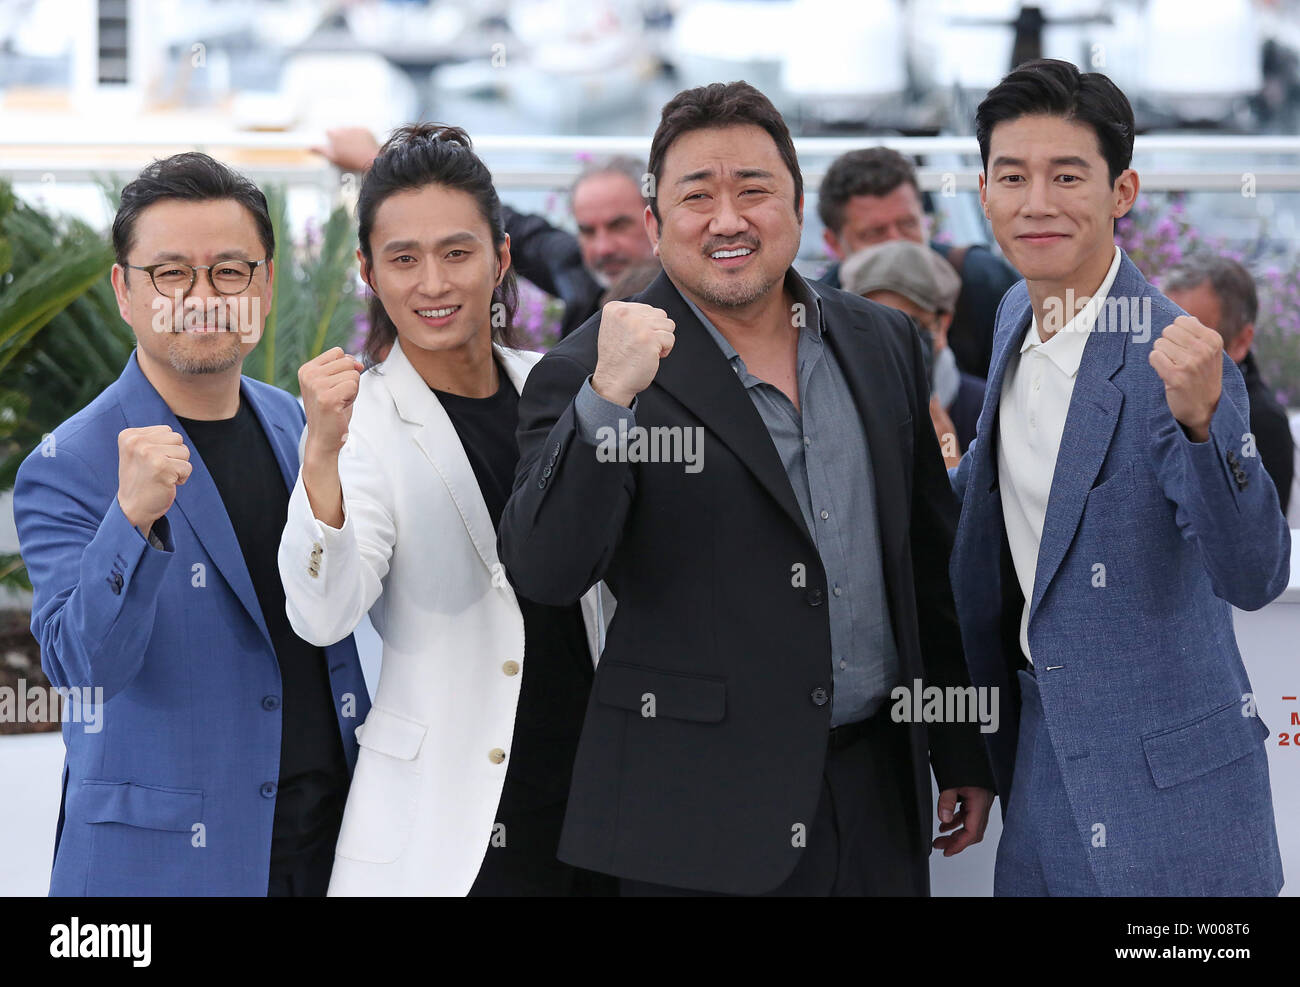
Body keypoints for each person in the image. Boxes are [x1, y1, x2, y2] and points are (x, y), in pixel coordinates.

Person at [498, 81, 994, 896]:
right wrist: (607, 399)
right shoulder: (595, 367)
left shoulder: (880, 339)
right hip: (697, 818)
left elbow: (926, 563)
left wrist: (960, 745)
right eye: (697, 196)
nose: (728, 220)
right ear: (656, 224)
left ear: (797, 208)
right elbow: (547, 569)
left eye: (754, 190)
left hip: (875, 799)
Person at [950, 59, 1290, 896]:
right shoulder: (1009, 318)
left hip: (1177, 806)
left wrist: (1208, 424)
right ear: (983, 191)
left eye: (1068, 175)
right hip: (1043, 774)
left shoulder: (1177, 356)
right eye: (1013, 176)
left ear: (1122, 190)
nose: (1038, 202)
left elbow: (1254, 573)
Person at [13, 152, 369, 896]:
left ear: (266, 286)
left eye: (229, 271)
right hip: (167, 867)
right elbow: (82, 671)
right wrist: (132, 518)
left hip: (331, 844)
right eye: (170, 273)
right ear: (124, 290)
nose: (202, 296)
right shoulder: (69, 461)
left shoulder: (297, 423)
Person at [279, 123, 615, 896]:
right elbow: (322, 613)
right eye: (403, 258)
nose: (433, 283)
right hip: (448, 829)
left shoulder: (555, 386)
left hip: (597, 805)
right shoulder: (360, 421)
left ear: (501, 259)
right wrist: (320, 454)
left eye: (457, 253)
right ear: (366, 269)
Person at [314, 127, 655, 337]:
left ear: (653, 220)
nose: (603, 247)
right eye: (587, 231)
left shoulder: (687, 294)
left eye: (618, 226)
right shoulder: (575, 266)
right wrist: (382, 166)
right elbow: (473, 221)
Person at [817, 147, 1022, 380]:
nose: (897, 243)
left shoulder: (983, 281)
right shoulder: (820, 311)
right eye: (875, 233)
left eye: (908, 225)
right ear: (833, 244)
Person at [1163, 255, 1294, 511]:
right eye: (1162, 331)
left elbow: (1260, 537)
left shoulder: (1263, 424)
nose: (1167, 351)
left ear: (1241, 342)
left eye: (1192, 339)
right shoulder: (1133, 391)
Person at [840, 239, 987, 465]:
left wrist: (950, 471)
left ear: (943, 324)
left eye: (909, 325)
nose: (889, 339)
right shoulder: (833, 406)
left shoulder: (986, 411)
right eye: (871, 321)